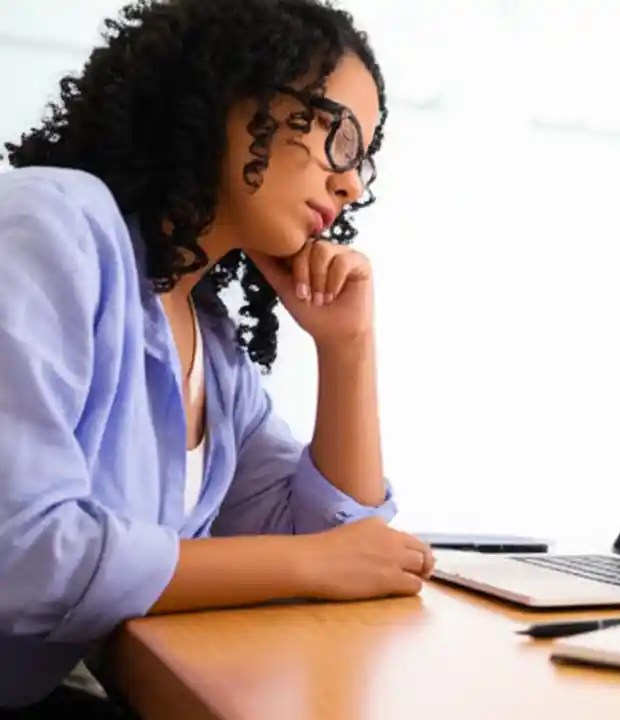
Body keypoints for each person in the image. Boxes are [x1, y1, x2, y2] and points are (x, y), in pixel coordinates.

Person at [0, 1, 433, 715]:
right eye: (341, 137)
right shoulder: (53, 225)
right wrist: (312, 565)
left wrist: (346, 346)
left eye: (364, 158)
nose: (351, 184)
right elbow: (22, 555)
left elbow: (347, 545)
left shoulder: (213, 346)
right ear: (238, 91)